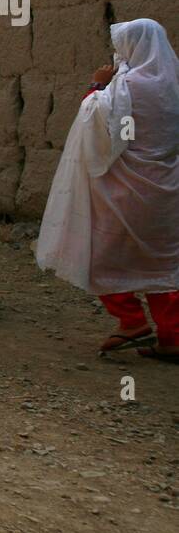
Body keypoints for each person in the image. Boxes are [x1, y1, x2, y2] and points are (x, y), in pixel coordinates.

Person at [36, 18, 179, 359]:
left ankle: (131, 321)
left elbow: (99, 127)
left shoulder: (127, 86)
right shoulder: (173, 83)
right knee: (162, 264)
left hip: (127, 193)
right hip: (166, 190)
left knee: (100, 256)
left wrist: (96, 85)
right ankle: (172, 337)